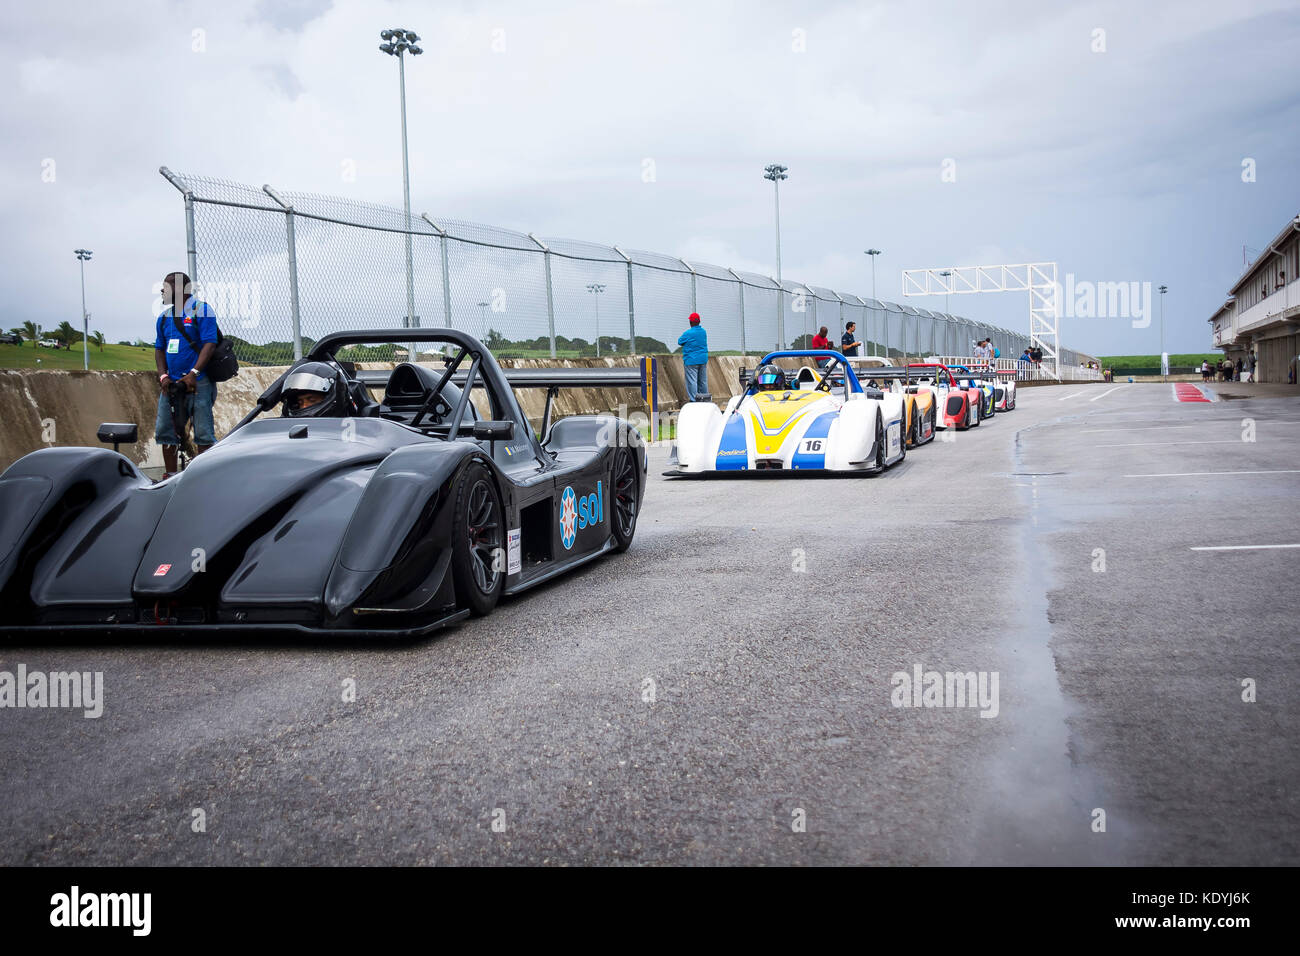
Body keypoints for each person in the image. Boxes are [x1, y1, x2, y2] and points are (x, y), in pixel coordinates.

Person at [154, 271, 218, 477]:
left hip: (198, 384)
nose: (162, 291)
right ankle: (170, 477)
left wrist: (193, 373)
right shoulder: (164, 319)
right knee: (166, 432)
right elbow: (159, 349)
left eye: (166, 287)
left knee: (203, 434)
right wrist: (163, 376)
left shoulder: (202, 311)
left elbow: (210, 344)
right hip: (171, 385)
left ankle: (202, 478)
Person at [678, 312, 710, 403]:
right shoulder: (703, 332)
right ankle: (705, 398)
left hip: (691, 360)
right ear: (699, 321)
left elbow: (679, 341)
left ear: (690, 322)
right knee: (703, 381)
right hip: (703, 359)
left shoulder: (688, 333)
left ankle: (694, 400)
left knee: (692, 381)